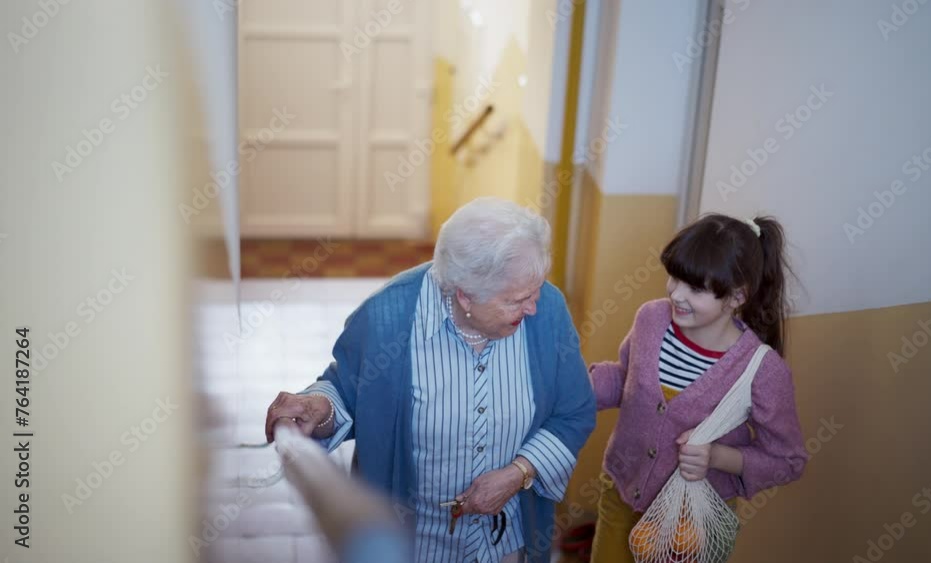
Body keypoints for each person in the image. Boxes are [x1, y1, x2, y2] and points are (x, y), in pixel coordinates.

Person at [265, 197, 596, 563]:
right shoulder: (387, 319)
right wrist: (318, 407)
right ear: (465, 296)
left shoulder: (547, 310)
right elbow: (346, 391)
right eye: (517, 300)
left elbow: (574, 411)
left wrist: (518, 473)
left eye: (536, 291)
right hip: (412, 545)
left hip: (505, 544)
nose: (533, 307)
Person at [588, 214, 808, 561]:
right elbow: (625, 378)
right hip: (621, 493)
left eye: (695, 288)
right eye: (674, 278)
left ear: (737, 296)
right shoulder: (651, 319)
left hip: (691, 525)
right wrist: (575, 389)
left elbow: (788, 460)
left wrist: (718, 457)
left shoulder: (762, 370)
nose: (676, 294)